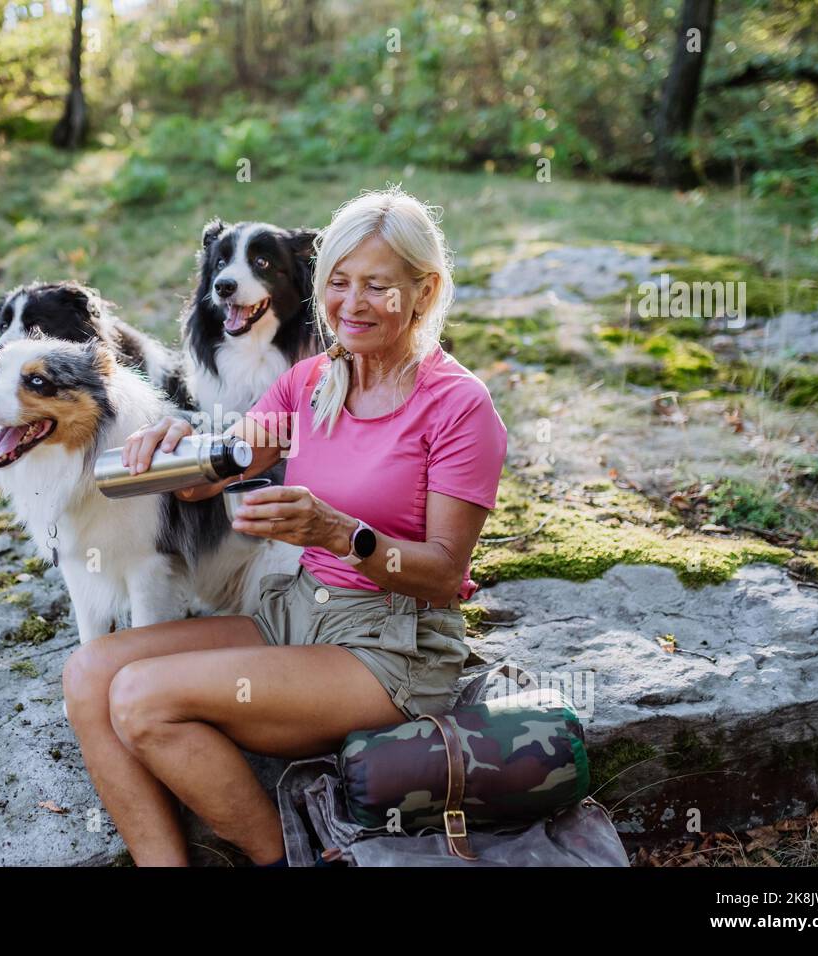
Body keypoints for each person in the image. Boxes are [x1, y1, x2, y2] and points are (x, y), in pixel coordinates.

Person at [61, 185, 508, 867]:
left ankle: (286, 859)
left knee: (143, 699)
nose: (350, 304)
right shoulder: (310, 384)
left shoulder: (459, 407)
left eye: (377, 286)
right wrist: (174, 447)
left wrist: (340, 534)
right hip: (294, 612)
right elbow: (215, 474)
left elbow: (445, 573)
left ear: (424, 291)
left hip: (391, 649)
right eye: (338, 281)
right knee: (90, 673)